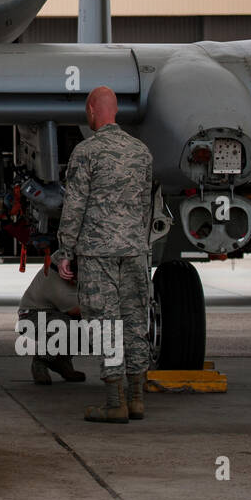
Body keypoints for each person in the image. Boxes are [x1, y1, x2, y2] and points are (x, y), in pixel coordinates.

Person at [55, 86, 153, 423]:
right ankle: (138, 399)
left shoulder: (86, 152)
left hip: (98, 254)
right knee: (135, 322)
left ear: (93, 111)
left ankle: (115, 403)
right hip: (134, 250)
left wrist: (65, 251)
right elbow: (144, 206)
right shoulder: (141, 152)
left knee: (106, 326)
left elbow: (75, 206)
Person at [17, 259, 86, 385]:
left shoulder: (63, 258)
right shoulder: (60, 287)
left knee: (94, 331)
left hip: (56, 313)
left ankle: (62, 362)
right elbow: (78, 312)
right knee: (68, 328)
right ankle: (41, 361)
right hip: (32, 316)